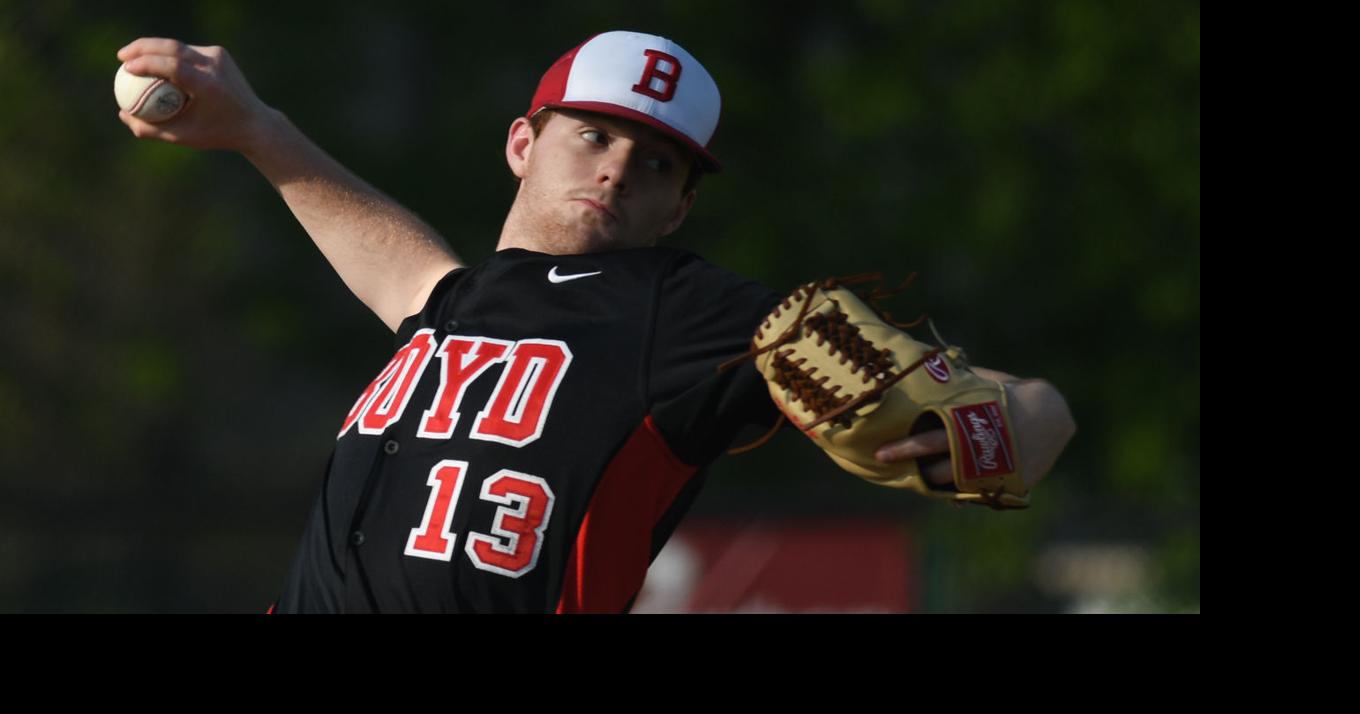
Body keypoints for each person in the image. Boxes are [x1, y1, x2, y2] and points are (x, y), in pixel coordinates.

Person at [116, 31, 1076, 613]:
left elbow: (1033, 410)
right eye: (594, 135)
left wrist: (1010, 428)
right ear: (523, 143)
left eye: (658, 162)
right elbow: (397, 261)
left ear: (681, 207)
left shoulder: (684, 313)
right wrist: (255, 128)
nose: (618, 167)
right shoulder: (457, 304)